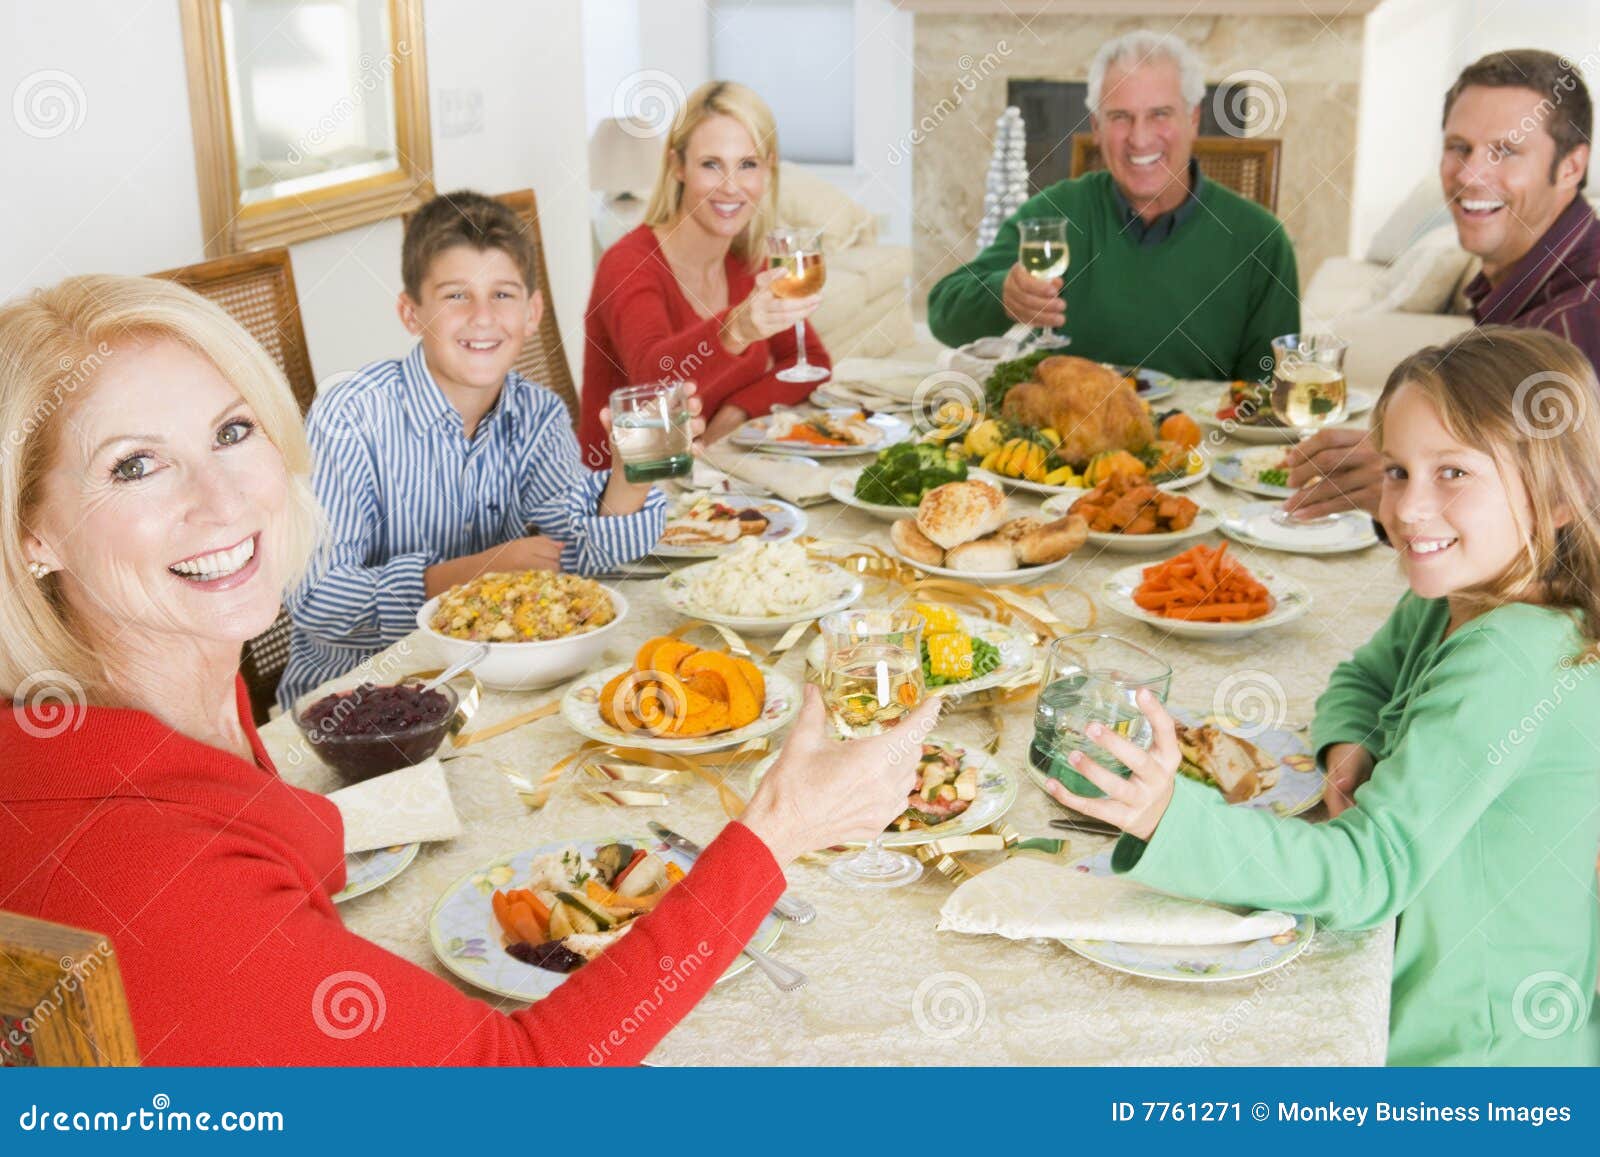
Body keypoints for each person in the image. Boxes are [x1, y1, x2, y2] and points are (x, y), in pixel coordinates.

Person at [0, 273, 943, 1065]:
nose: (221, 497)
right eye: (133, 466)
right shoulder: (154, 873)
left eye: (233, 431)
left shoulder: (117, 726)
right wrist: (781, 829)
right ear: (31, 532)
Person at [1042, 325, 1600, 1066]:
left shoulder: (1509, 657)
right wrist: (1351, 753)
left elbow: (1368, 873)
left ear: (1559, 498)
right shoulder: (1464, 594)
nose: (1409, 510)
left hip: (1468, 1054)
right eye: (1397, 471)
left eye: (1454, 473)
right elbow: (1363, 679)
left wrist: (1166, 815)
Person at [277, 190, 683, 710]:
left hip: (487, 684)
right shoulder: (351, 417)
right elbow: (317, 601)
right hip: (353, 697)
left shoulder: (540, 415)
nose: (483, 317)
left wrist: (631, 473)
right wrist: (475, 571)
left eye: (503, 295)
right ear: (410, 312)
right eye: (455, 296)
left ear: (532, 311)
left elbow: (576, 561)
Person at [1288, 49, 1598, 520]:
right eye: (1459, 147)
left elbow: (1573, 539)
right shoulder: (1512, 286)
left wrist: (1416, 484)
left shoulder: (1569, 324)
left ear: (1571, 167)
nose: (1470, 175)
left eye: (1505, 151)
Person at [925, 31, 1299, 380]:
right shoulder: (1056, 214)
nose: (1139, 138)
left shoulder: (1259, 239)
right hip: (1065, 437)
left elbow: (1269, 391)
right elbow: (943, 315)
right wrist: (1003, 295)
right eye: (1120, 117)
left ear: (1193, 119)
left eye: (1159, 114)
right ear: (1097, 127)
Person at [581, 81, 828, 466]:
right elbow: (652, 386)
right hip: (628, 496)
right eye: (711, 165)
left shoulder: (748, 263)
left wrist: (737, 411)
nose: (731, 188)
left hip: (708, 478)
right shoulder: (628, 264)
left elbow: (810, 361)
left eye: (747, 164)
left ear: (769, 169)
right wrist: (735, 330)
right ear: (678, 167)